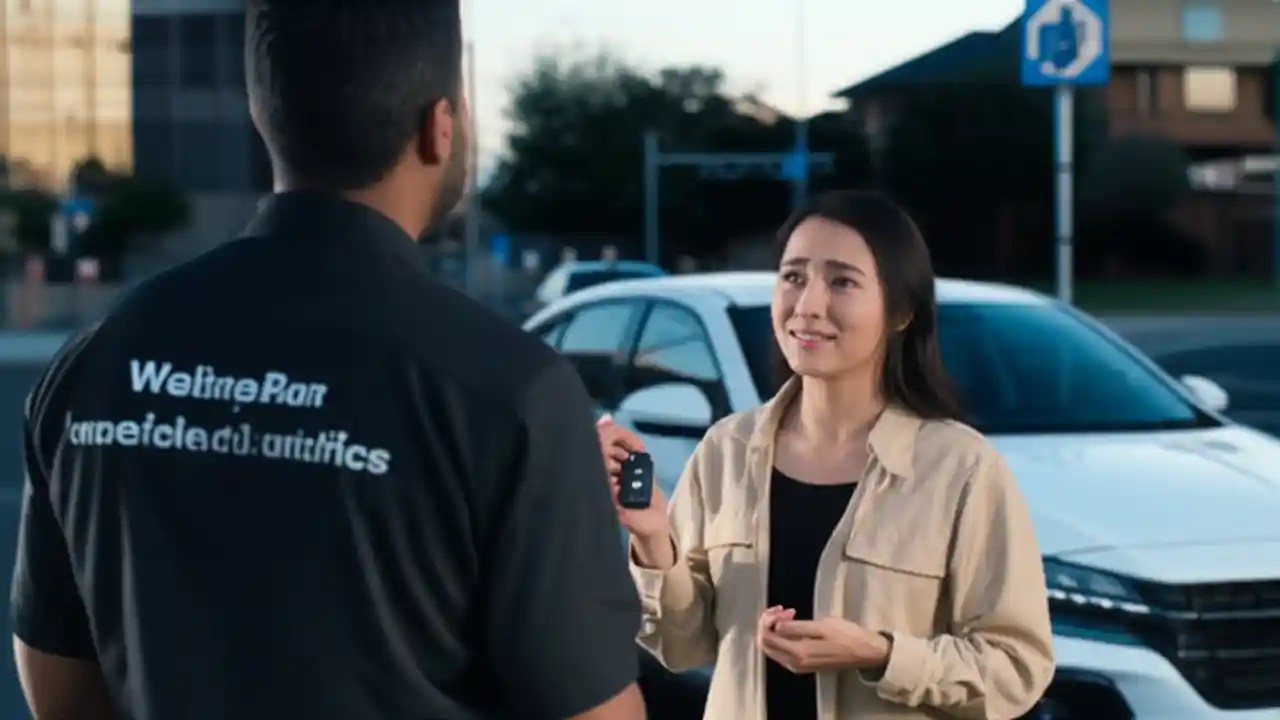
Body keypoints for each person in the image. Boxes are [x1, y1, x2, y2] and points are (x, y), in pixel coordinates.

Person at [10, 2, 646, 719]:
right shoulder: (512, 392)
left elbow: (60, 689)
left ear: (263, 115)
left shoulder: (95, 362)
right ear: (441, 126)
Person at [600, 190, 1054, 719]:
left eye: (842, 282)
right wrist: (654, 538)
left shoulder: (961, 467)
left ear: (901, 311)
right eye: (793, 277)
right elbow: (682, 647)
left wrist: (882, 654)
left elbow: (1017, 669)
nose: (808, 305)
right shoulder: (726, 449)